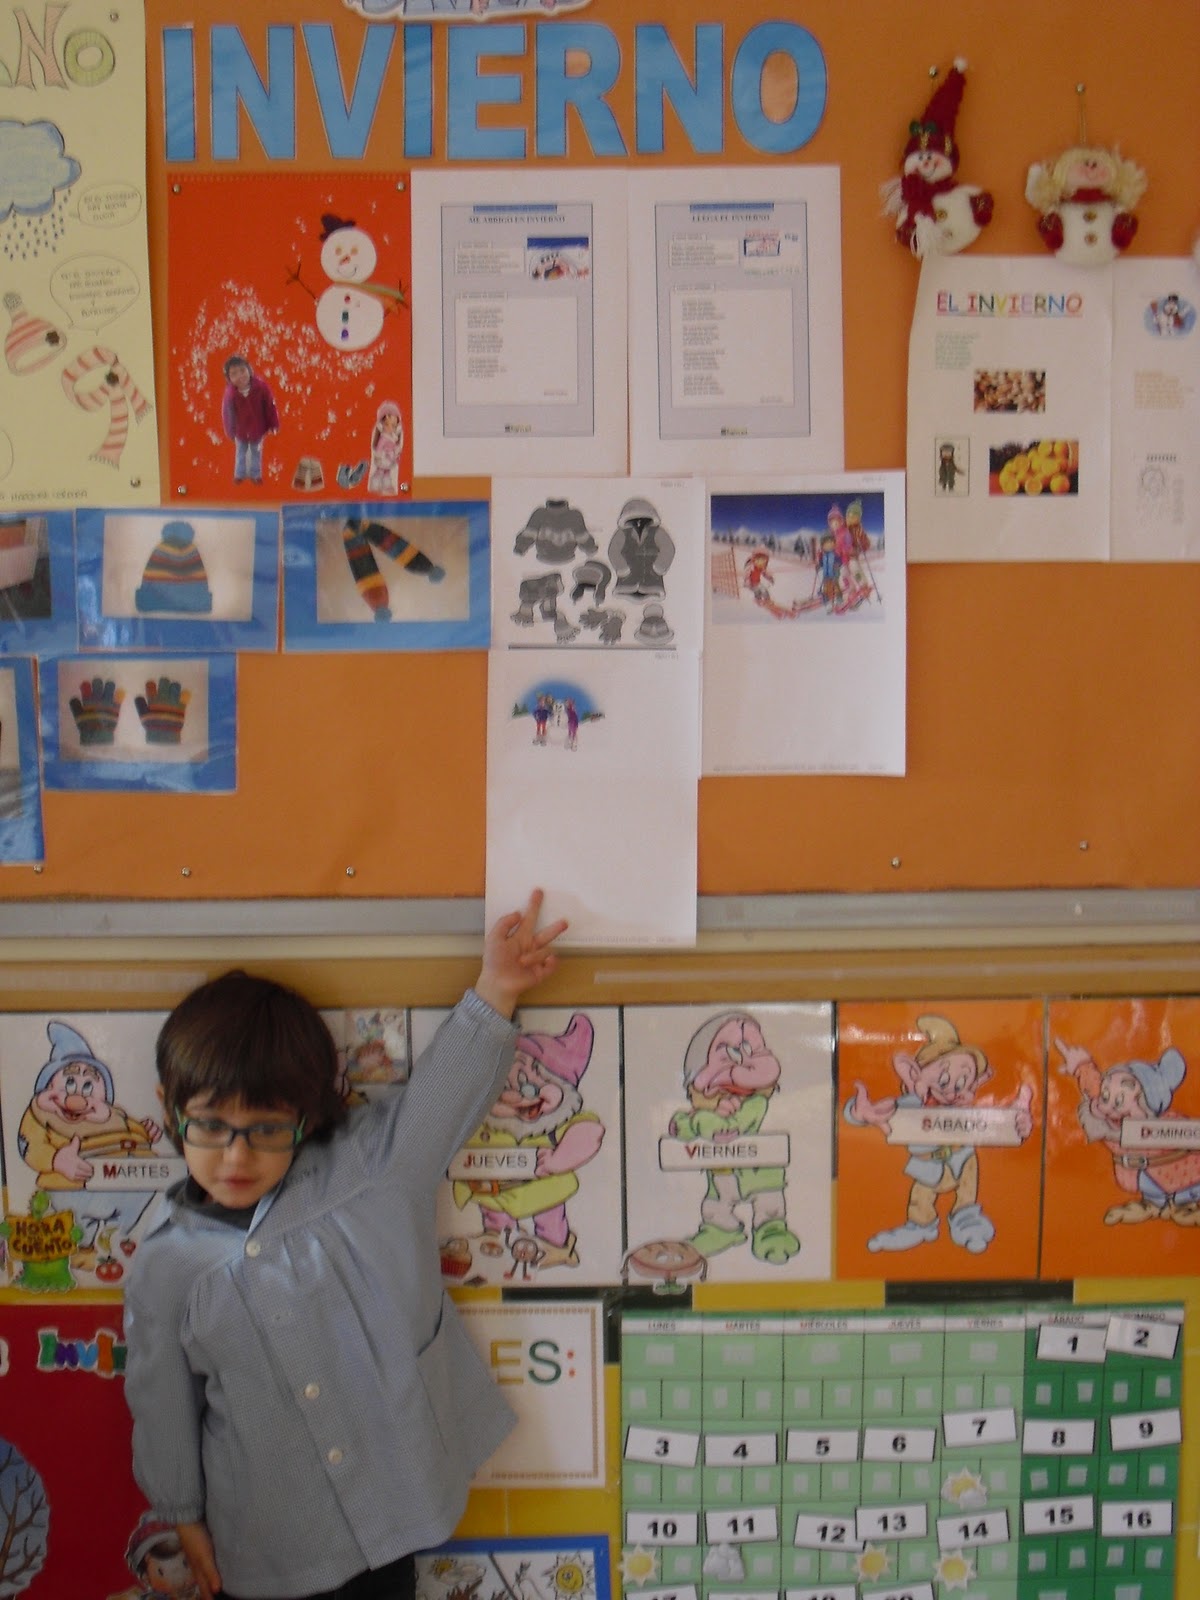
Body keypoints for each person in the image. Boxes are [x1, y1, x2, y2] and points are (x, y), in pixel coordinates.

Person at [123, 891, 567, 1600]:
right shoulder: (163, 1269)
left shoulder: (371, 1174)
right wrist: (181, 1516)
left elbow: (445, 1099)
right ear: (170, 1111)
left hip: (396, 1512)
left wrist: (498, 988)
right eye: (210, 1126)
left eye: (265, 1127)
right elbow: (164, 1408)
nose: (235, 1156)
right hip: (266, 1542)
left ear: (305, 1116)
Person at [220, 355, 279, 484]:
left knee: (256, 453)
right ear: (229, 379)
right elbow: (227, 414)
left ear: (250, 370)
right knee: (240, 453)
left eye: (243, 370)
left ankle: (255, 474)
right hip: (240, 431)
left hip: (257, 429)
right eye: (234, 374)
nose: (240, 376)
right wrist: (230, 431)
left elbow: (270, 406)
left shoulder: (261, 388)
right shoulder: (230, 395)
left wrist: (273, 423)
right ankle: (239, 474)